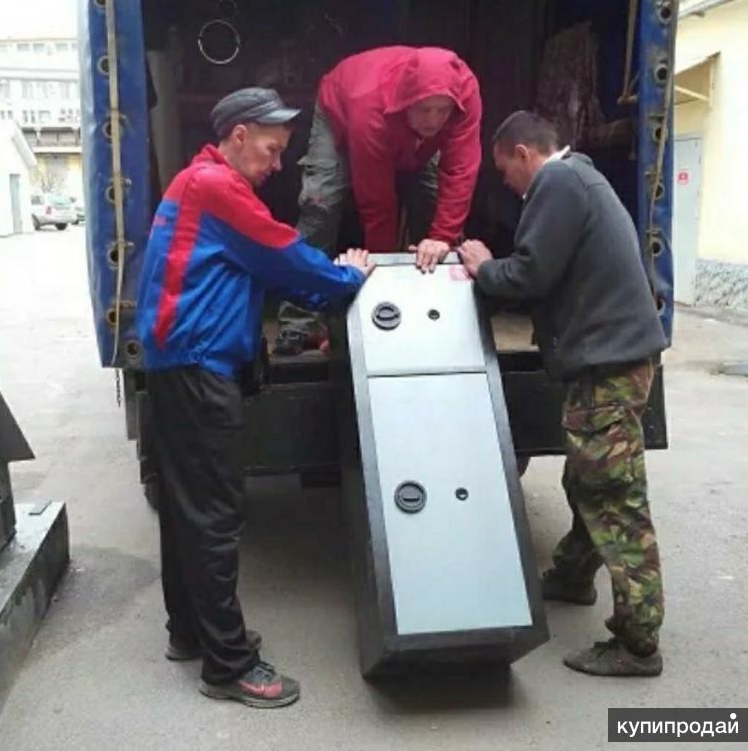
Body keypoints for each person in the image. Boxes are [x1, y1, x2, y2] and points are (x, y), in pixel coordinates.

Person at [136, 87, 373, 708]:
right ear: (238, 136)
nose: (276, 166)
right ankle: (229, 665)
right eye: (271, 151)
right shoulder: (218, 190)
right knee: (215, 518)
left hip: (174, 369)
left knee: (188, 512)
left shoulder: (194, 184)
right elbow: (286, 259)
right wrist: (352, 276)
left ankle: (191, 632)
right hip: (197, 371)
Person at [458, 110, 667, 677]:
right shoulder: (581, 178)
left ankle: (638, 643)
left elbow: (530, 275)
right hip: (611, 360)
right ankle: (574, 576)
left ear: (524, 153)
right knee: (587, 478)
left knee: (615, 501)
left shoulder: (557, 183)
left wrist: (482, 266)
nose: (508, 184)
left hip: (608, 367)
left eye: (506, 172)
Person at [275, 45, 482, 355]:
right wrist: (376, 296)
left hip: (408, 139)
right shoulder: (368, 108)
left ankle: (448, 314)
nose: (434, 120)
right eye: (425, 109)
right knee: (322, 205)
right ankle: (298, 323)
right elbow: (377, 204)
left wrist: (442, 237)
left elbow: (461, 170)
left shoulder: (465, 92)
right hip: (345, 116)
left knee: (436, 207)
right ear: (408, 102)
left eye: (442, 110)